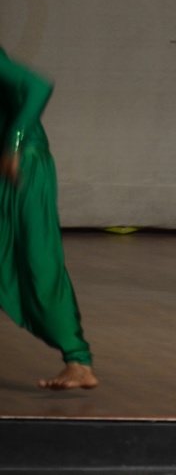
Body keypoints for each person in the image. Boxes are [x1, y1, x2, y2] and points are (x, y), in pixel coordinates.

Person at [0, 47, 96, 390]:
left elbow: (39, 85)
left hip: (21, 166)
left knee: (37, 260)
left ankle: (78, 360)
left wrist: (13, 143)